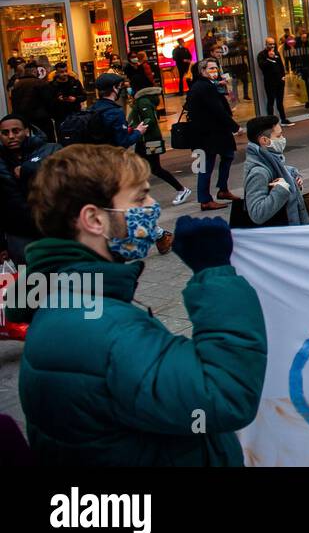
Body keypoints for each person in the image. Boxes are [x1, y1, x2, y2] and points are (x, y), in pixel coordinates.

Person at [19, 145, 267, 465]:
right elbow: (225, 394)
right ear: (94, 218)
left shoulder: (75, 299)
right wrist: (214, 272)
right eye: (139, 198)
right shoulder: (103, 328)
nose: (152, 206)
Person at [0, 114, 58, 264]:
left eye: (16, 131)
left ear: (26, 131)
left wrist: (28, 169)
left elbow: (63, 167)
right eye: (5, 133)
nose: (11, 136)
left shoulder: (47, 149)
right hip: (18, 232)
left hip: (49, 228)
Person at [184, 58, 239, 211]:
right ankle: (205, 199)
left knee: (228, 155)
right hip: (207, 134)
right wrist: (235, 127)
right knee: (205, 166)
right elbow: (217, 110)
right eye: (211, 69)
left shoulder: (208, 85)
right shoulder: (203, 87)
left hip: (217, 132)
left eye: (216, 68)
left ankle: (223, 189)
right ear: (202, 71)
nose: (215, 71)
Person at [127, 84, 190, 206]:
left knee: (154, 168)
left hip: (149, 140)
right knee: (139, 167)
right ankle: (139, 197)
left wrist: (136, 128)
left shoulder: (143, 102)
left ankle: (181, 189)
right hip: (146, 140)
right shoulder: (144, 100)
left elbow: (149, 119)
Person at [242, 115, 308, 226]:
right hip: (280, 235)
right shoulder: (259, 173)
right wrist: (281, 189)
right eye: (279, 136)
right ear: (264, 140)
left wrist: (292, 175)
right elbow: (257, 213)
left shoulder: (271, 161)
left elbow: (280, 171)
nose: (283, 139)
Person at [9, 64, 54, 141]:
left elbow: (14, 102)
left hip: (23, 119)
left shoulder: (17, 84)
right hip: (41, 119)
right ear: (34, 71)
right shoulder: (41, 83)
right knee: (46, 141)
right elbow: (49, 102)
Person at [256, 37, 291, 125]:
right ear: (266, 44)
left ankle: (283, 119)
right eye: (270, 44)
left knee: (280, 102)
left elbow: (280, 65)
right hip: (269, 82)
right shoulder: (261, 55)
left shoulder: (276, 53)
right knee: (271, 101)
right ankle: (271, 122)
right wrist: (270, 58)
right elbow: (262, 66)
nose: (272, 46)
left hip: (280, 81)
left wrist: (283, 76)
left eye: (273, 44)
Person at [47, 63, 85, 138]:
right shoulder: (51, 86)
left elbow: (84, 96)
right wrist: (57, 100)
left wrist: (75, 99)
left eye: (65, 71)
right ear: (56, 73)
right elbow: (48, 102)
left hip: (75, 115)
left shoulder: (75, 82)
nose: (64, 74)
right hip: (60, 117)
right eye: (61, 72)